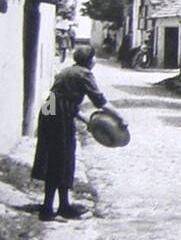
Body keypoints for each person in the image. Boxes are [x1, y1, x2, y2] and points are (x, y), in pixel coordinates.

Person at [31, 46, 123, 222]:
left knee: (62, 158)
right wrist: (119, 118)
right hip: (58, 116)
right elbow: (100, 102)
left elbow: (61, 100)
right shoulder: (84, 74)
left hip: (50, 112)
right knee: (58, 159)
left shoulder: (68, 71)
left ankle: (64, 205)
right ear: (90, 60)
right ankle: (47, 210)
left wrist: (87, 121)